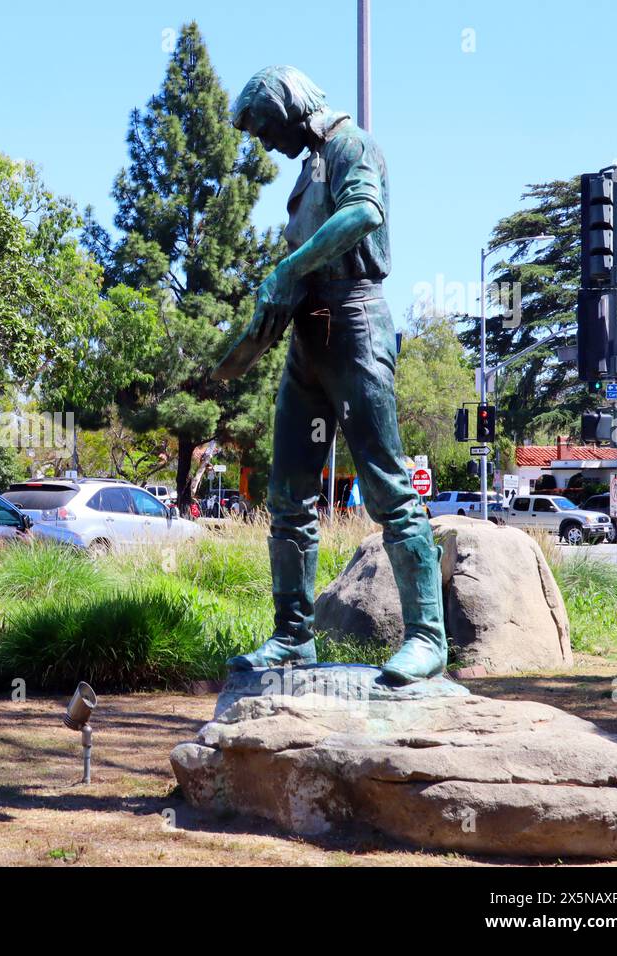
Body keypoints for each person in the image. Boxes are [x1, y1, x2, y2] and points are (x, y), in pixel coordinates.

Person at [216, 66, 446, 684]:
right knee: (289, 496)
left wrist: (289, 267)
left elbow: (365, 213)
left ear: (290, 106)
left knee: (386, 488)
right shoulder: (307, 168)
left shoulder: (351, 144)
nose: (263, 143)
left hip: (354, 325)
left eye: (265, 128)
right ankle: (293, 636)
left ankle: (427, 636)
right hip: (306, 340)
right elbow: (300, 261)